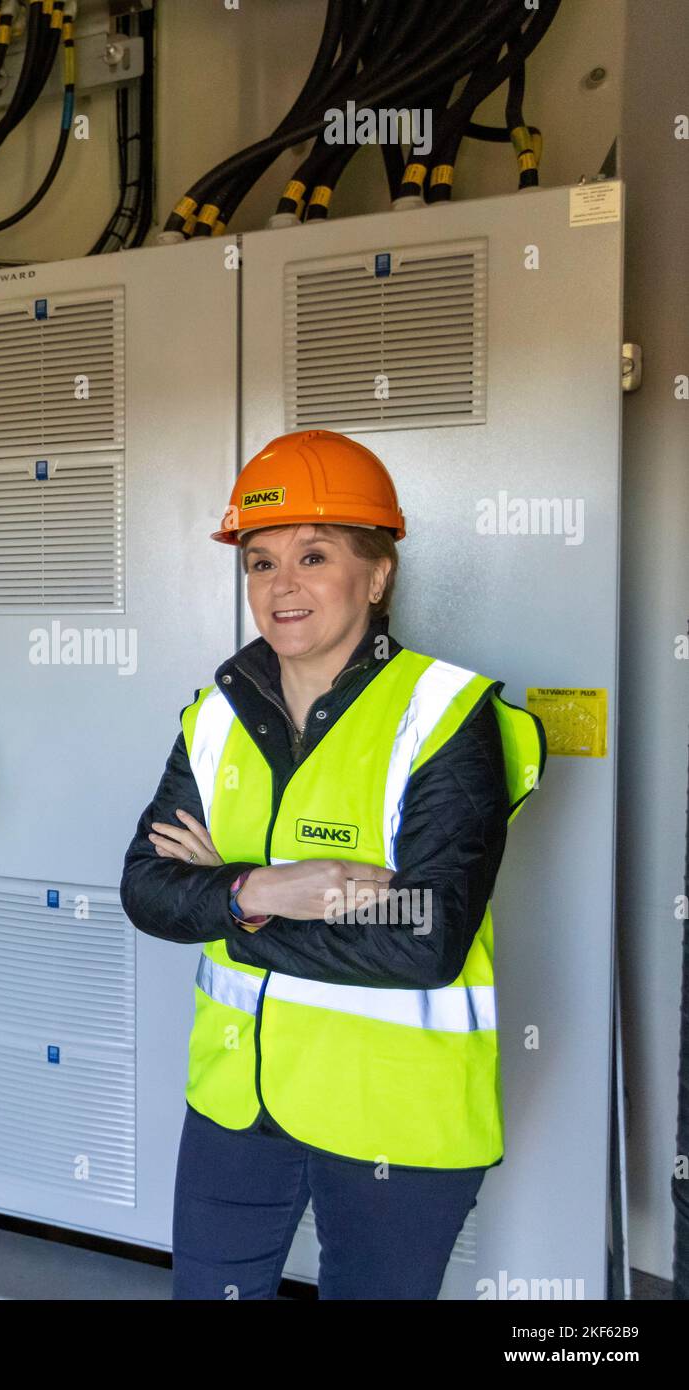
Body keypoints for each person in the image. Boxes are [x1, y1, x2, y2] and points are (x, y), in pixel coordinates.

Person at [120, 429, 545, 1300]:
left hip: (393, 1113)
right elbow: (145, 891)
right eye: (260, 562)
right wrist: (270, 889)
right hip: (238, 1102)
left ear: (378, 573)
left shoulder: (443, 715)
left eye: (313, 556)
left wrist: (226, 912)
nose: (282, 587)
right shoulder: (214, 716)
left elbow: (425, 933)